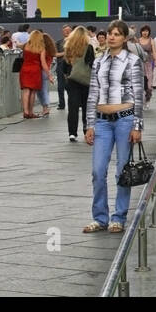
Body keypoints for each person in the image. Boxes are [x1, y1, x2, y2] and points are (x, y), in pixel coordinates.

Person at [84, 19, 145, 234]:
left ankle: (118, 216)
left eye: (117, 34)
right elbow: (92, 93)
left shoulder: (133, 61)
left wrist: (137, 126)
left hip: (125, 119)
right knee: (97, 171)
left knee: (122, 171)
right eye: (110, 33)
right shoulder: (98, 62)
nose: (111, 37)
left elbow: (138, 94)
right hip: (101, 121)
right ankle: (99, 217)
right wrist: (89, 124)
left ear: (125, 38)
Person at [63, 25, 94, 142]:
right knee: (87, 107)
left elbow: (65, 66)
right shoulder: (89, 48)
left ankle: (72, 133)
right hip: (86, 81)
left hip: (72, 80)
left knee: (73, 108)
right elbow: (91, 64)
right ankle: (87, 130)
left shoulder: (69, 47)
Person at [19, 30, 53, 118]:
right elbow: (43, 63)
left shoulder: (26, 45)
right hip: (35, 70)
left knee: (26, 91)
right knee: (32, 92)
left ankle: (25, 111)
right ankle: (30, 112)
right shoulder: (41, 48)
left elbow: (18, 45)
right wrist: (49, 75)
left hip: (25, 69)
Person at [54, 24, 72, 111]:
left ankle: (72, 103)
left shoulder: (74, 42)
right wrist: (65, 53)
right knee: (60, 86)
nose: (67, 32)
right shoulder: (58, 42)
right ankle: (61, 104)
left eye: (69, 30)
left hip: (72, 66)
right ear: (62, 31)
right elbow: (55, 54)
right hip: (61, 65)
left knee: (71, 86)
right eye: (65, 30)